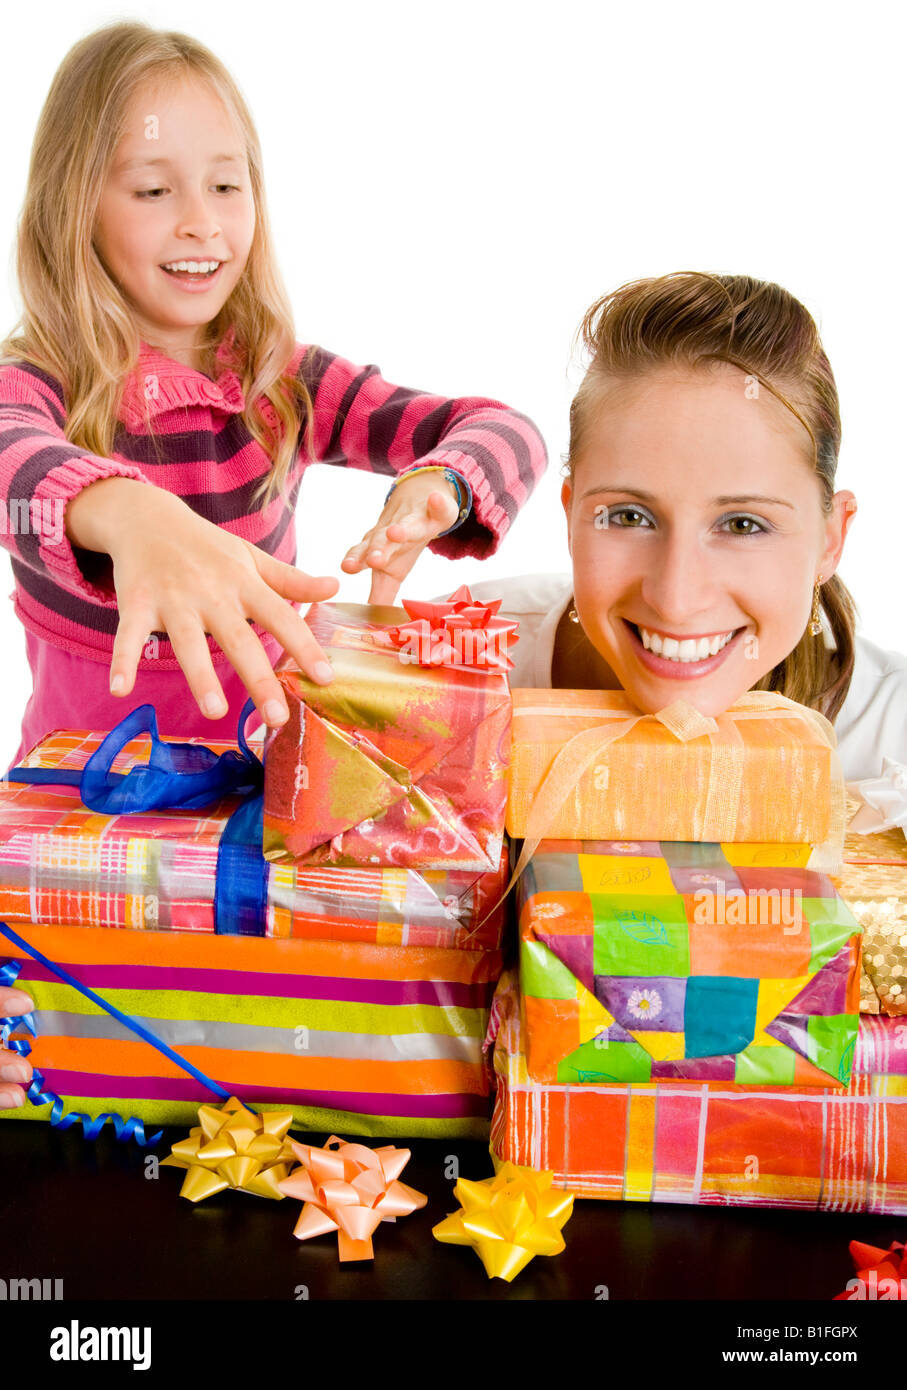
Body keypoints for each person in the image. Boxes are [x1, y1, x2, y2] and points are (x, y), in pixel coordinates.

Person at [0, 22, 546, 1110]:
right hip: (99, 805)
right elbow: (18, 462)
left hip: (273, 796)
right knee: (118, 1052)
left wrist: (430, 491)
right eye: (152, 189)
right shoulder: (41, 380)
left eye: (226, 184)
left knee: (267, 1038)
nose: (201, 222)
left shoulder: (280, 380)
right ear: (76, 208)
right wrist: (131, 514)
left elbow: (503, 425)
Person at [466, 271, 907, 782]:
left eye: (743, 525)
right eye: (630, 517)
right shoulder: (464, 664)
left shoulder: (891, 739)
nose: (675, 600)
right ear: (570, 517)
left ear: (830, 541)